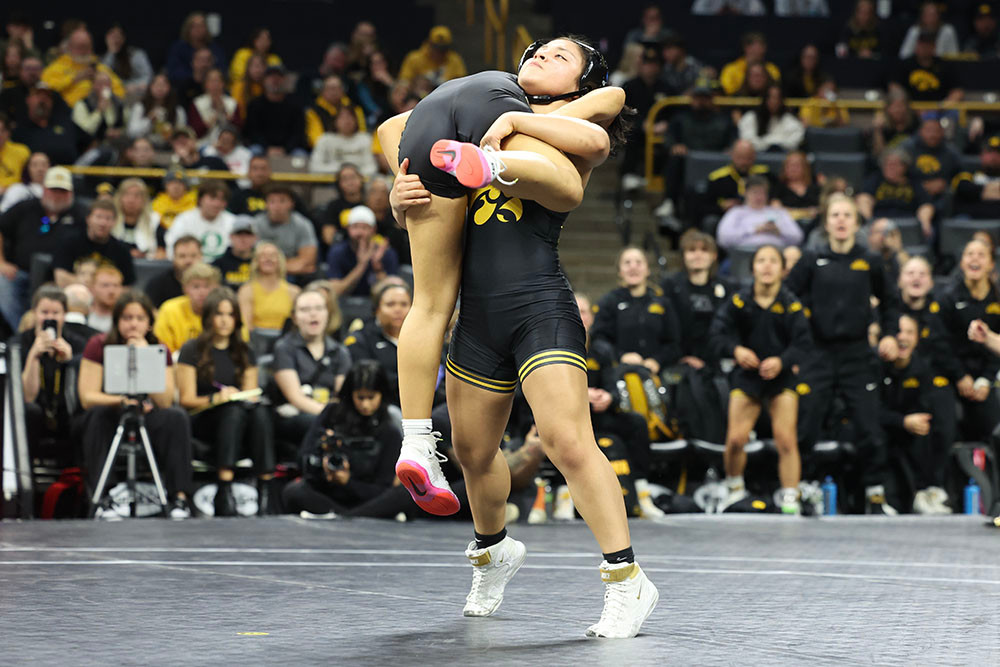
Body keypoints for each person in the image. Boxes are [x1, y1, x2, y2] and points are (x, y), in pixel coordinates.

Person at [384, 37, 657, 636]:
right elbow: (403, 130)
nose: (540, 55)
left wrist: (516, 120)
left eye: (560, 57)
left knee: (565, 440)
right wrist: (396, 193)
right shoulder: (476, 110)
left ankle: (627, 579)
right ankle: (492, 552)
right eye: (537, 50)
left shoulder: (561, 125)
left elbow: (600, 126)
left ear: (579, 87)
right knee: (474, 453)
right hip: (476, 317)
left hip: (539, 306)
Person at [785, 194, 901, 514]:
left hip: (857, 354)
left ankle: (875, 494)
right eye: (834, 215)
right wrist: (795, 348)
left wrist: (890, 335)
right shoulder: (811, 259)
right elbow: (787, 301)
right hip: (818, 354)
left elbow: (891, 302)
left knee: (869, 426)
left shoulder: (871, 261)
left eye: (846, 215)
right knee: (807, 423)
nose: (840, 220)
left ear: (856, 222)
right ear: (826, 222)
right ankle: (806, 487)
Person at [709, 245, 811, 514]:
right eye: (761, 261)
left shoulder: (792, 304)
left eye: (773, 261)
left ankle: (791, 495)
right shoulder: (739, 301)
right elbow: (717, 335)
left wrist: (782, 361)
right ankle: (734, 488)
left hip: (781, 379)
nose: (767, 266)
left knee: (786, 439)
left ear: (783, 269)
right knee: (735, 439)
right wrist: (737, 351)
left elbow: (803, 344)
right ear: (753, 268)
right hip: (748, 377)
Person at [77, 289, 193, 519]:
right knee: (97, 415)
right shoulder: (98, 345)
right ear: (117, 321)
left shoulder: (159, 348)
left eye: (140, 319)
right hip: (111, 411)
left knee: (176, 417)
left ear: (149, 323)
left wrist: (146, 359)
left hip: (147, 413)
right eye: (127, 318)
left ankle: (179, 497)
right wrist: (121, 400)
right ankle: (106, 496)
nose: (133, 325)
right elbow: (87, 397)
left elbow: (165, 399)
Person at [177, 287, 277, 516]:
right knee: (232, 411)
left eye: (230, 315)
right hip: (203, 417)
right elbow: (186, 399)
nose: (224, 321)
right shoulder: (192, 349)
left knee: (260, 412)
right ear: (209, 317)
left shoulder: (244, 351)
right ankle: (224, 488)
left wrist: (246, 396)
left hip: (239, 417)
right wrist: (215, 398)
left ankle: (265, 489)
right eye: (219, 314)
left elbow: (251, 392)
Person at [575, 293, 662, 518]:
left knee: (636, 423)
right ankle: (565, 497)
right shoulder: (554, 346)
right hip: (570, 416)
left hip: (599, 414)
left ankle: (642, 491)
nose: (580, 316)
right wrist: (579, 395)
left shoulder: (602, 350)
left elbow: (614, 386)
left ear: (592, 318)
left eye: (584, 311)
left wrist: (608, 398)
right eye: (575, 310)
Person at [281, 360, 402, 516]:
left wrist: (348, 483)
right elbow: (303, 458)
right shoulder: (332, 414)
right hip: (329, 494)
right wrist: (322, 458)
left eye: (371, 397)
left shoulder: (389, 430)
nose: (365, 404)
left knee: (405, 494)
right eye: (360, 397)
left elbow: (383, 488)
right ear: (351, 394)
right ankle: (353, 517)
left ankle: (347, 517)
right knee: (294, 491)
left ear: (381, 394)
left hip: (367, 498)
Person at [0, 165, 84, 329]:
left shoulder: (80, 214)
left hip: (60, 275)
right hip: (20, 272)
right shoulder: (25, 207)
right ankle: (23, 331)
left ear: (71, 193)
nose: (57, 195)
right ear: (44, 189)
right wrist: (1, 262)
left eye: (62, 191)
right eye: (53, 190)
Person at [271, 287, 353, 445]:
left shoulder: (339, 351)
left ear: (327, 314)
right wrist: (329, 415)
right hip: (296, 415)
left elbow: (343, 394)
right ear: (294, 317)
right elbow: (295, 398)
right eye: (305, 309)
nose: (313, 314)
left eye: (318, 308)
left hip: (330, 413)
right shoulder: (284, 348)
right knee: (316, 424)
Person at [937, 238, 1000, 444]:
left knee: (993, 428)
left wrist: (986, 379)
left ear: (991, 264)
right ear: (962, 263)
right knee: (946, 424)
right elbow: (941, 344)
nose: (975, 259)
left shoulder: (998, 298)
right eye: (969, 254)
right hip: (953, 376)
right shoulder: (948, 298)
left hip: (988, 376)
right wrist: (960, 375)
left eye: (981, 254)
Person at [592, 247, 681, 387]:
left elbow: (673, 343)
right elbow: (598, 340)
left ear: (648, 270)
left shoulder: (663, 302)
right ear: (620, 271)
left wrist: (657, 361)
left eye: (639, 262)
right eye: (627, 263)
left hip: (658, 377)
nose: (633, 267)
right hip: (618, 378)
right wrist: (621, 356)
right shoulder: (608, 302)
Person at [18, 286, 92, 453]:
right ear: (34, 313)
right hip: (35, 412)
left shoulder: (79, 344)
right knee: (30, 412)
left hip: (66, 411)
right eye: (44, 312)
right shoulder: (18, 344)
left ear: (64, 315)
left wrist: (71, 362)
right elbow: (27, 396)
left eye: (55, 313)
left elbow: (82, 397)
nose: (49, 317)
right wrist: (33, 356)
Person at [345, 282, 410, 406]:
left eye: (404, 304)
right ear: (377, 309)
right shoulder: (361, 339)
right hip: (384, 405)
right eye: (390, 304)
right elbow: (369, 379)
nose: (398, 310)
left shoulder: (421, 338)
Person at [52, 200, 136, 287]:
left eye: (108, 218)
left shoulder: (122, 250)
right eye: (98, 217)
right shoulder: (69, 242)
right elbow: (60, 278)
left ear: (114, 222)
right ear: (88, 219)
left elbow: (127, 286)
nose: (103, 223)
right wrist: (94, 287)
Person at [857, 149, 936, 239]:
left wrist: (924, 222)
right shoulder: (875, 179)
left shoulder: (913, 182)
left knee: (930, 232)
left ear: (904, 166)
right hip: (879, 222)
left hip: (908, 223)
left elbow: (926, 204)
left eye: (894, 164)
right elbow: (864, 198)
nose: (890, 167)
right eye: (887, 164)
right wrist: (868, 222)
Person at [41, 26, 125, 107]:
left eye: (87, 47)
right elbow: (46, 90)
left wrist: (103, 89)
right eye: (79, 47)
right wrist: (74, 79)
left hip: (97, 111)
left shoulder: (100, 68)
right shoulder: (56, 67)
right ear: (70, 47)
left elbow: (120, 92)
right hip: (66, 113)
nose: (84, 51)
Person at [326, 205, 398, 297]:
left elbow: (392, 294)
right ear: (348, 228)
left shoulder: (387, 253)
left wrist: (378, 268)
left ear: (373, 229)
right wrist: (361, 265)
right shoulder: (337, 252)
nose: (359, 232)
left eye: (364, 228)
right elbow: (335, 291)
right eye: (355, 227)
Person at [251, 183, 318, 282]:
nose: (277, 207)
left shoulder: (303, 224)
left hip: (291, 276)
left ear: (291, 204)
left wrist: (273, 267)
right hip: (261, 272)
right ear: (266, 205)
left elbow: (308, 262)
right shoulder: (256, 224)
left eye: (282, 201)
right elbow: (250, 258)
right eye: (272, 201)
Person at [716, 175, 803, 250]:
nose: (759, 197)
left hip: (777, 253)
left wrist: (779, 231)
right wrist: (754, 230)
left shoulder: (779, 212)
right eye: (755, 192)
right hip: (744, 254)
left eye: (762, 193)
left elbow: (798, 237)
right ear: (745, 193)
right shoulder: (736, 212)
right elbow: (723, 239)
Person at [153, 262, 221, 353]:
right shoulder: (169, 310)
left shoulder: (225, 311)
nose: (202, 292)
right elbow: (162, 351)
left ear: (216, 287)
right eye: (196, 287)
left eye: (207, 286)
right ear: (185, 288)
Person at [165, 180, 235, 262]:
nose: (217, 204)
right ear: (200, 199)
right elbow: (172, 249)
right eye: (212, 198)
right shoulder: (184, 220)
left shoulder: (232, 222)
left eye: (222, 200)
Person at [702, 139, 771, 223]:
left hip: (759, 215)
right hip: (726, 218)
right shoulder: (717, 178)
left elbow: (775, 198)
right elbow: (705, 206)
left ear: (754, 157)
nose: (744, 162)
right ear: (732, 155)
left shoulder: (765, 174)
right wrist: (722, 206)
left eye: (748, 158)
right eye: (740, 157)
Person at [236, 241, 300, 332]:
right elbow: (245, 326)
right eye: (263, 256)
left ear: (279, 261)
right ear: (256, 261)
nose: (268, 259)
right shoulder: (246, 291)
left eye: (272, 256)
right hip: (256, 341)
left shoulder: (294, 292)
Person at [243, 65, 306, 156]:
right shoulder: (254, 105)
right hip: (262, 147)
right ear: (264, 80)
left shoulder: (296, 105)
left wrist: (285, 149)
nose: (275, 80)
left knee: (301, 156)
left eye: (279, 77)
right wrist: (267, 148)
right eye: (271, 77)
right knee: (253, 151)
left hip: (289, 149)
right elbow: (252, 132)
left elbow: (298, 133)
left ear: (285, 80)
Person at [11, 83, 79, 165]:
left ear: (52, 102)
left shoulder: (65, 123)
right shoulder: (18, 130)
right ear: (28, 100)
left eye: (47, 97)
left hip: (67, 174)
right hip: (32, 176)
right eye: (38, 95)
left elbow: (89, 142)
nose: (43, 100)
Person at [891, 31, 963, 103]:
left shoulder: (945, 65)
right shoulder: (905, 64)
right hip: (909, 111)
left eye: (928, 45)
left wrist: (942, 107)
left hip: (940, 111)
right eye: (922, 45)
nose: (924, 49)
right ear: (916, 46)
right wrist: (907, 107)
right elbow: (895, 86)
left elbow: (957, 91)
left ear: (934, 47)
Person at [310, 106, 378, 179]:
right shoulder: (325, 139)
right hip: (331, 181)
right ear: (335, 121)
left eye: (350, 117)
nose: (347, 121)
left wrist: (354, 173)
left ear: (356, 120)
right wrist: (341, 171)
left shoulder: (365, 139)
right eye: (342, 118)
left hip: (361, 181)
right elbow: (314, 167)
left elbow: (372, 167)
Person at [305, 74, 367, 149]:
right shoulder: (313, 111)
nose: (333, 92)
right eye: (330, 88)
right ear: (322, 90)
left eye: (337, 88)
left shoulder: (354, 108)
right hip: (327, 150)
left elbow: (362, 133)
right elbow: (316, 140)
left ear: (343, 90)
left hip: (354, 148)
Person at [737, 84, 804, 153]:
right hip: (756, 156)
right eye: (770, 97)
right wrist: (770, 143)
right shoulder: (750, 117)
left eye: (777, 98)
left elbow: (793, 142)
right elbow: (747, 141)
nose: (773, 101)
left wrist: (768, 142)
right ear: (764, 99)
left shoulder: (790, 120)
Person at [126, 73, 186, 147]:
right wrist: (149, 119)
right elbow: (131, 133)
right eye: (157, 85)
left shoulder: (177, 110)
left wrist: (172, 135)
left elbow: (182, 133)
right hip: (145, 147)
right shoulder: (140, 107)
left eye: (164, 85)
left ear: (169, 88)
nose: (160, 88)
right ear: (150, 87)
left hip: (169, 147)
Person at [316, 162, 366, 251]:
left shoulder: (370, 203)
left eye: (353, 177)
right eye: (345, 179)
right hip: (343, 250)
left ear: (361, 179)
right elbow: (328, 237)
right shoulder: (333, 206)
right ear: (339, 184)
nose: (350, 182)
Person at [166, 11, 225, 86]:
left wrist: (209, 74)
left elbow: (222, 69)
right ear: (188, 28)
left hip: (212, 86)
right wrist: (193, 76)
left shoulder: (214, 48)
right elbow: (173, 72)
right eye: (194, 26)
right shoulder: (179, 48)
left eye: (201, 26)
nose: (198, 29)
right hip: (185, 87)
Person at [398, 26, 467, 87]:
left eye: (443, 50)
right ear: (429, 44)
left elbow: (462, 84)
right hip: (420, 98)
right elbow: (404, 81)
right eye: (436, 48)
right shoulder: (414, 58)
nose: (439, 53)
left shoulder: (455, 60)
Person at [952, 134, 1000, 218]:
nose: (994, 156)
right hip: (972, 220)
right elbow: (963, 188)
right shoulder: (969, 174)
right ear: (981, 155)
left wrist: (980, 192)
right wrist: (992, 190)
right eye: (989, 152)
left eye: (998, 152)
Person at [112, 178, 161, 259]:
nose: (131, 200)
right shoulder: (110, 218)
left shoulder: (155, 220)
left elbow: (161, 251)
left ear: (144, 199)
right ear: (119, 197)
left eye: (137, 196)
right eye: (127, 194)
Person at [101, 23, 153, 99]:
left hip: (136, 94)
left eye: (119, 36)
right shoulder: (102, 58)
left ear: (124, 38)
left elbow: (148, 76)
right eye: (112, 36)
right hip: (114, 97)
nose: (116, 39)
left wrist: (134, 86)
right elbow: (103, 76)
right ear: (106, 38)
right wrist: (111, 52)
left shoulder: (136, 54)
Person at [187, 69, 239, 143]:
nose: (215, 84)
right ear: (206, 84)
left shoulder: (232, 103)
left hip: (229, 144)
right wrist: (211, 120)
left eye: (217, 81)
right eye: (211, 81)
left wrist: (225, 113)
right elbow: (194, 132)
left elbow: (238, 129)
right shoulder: (197, 103)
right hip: (204, 143)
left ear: (223, 83)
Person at [771, 151, 820, 223]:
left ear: (805, 168)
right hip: (787, 225)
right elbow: (776, 209)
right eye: (789, 165)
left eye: (796, 165)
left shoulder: (815, 187)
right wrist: (805, 213)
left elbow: (822, 208)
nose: (792, 168)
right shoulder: (778, 187)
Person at [870, 89, 918, 157]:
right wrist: (877, 131)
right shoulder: (882, 126)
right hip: (889, 162)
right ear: (887, 109)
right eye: (894, 107)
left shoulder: (915, 122)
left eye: (901, 106)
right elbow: (879, 153)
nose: (898, 110)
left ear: (907, 107)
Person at [151, 168, 197, 236]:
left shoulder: (195, 203)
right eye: (172, 183)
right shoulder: (157, 204)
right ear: (165, 186)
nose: (176, 187)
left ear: (186, 187)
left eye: (180, 183)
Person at [213, 217, 256, 289]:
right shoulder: (218, 265)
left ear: (255, 238)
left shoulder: (260, 263)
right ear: (231, 236)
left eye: (248, 234)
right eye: (239, 234)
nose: (243, 239)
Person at [87, 265, 124, 333]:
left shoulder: (126, 317)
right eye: (105, 285)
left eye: (116, 285)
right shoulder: (83, 315)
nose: (111, 291)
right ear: (92, 288)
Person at [0, 112, 30, 195]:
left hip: (15, 194)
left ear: (8, 133)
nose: (0, 134)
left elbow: (28, 180)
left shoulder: (22, 151)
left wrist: (6, 189)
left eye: (3, 130)